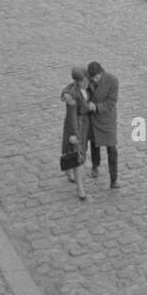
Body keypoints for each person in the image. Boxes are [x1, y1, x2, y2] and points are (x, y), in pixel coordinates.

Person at [61, 65, 92, 201]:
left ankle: (68, 171)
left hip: (85, 124)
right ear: (76, 81)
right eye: (81, 81)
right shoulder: (73, 94)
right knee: (77, 155)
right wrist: (74, 133)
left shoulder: (87, 88)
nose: (85, 83)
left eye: (86, 80)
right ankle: (80, 188)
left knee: (73, 152)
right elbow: (72, 115)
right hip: (75, 126)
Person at [87, 60, 119, 189]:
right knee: (94, 144)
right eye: (92, 78)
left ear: (101, 72)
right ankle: (95, 166)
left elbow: (111, 102)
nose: (94, 80)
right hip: (93, 119)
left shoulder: (112, 80)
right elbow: (76, 85)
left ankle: (114, 179)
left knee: (112, 150)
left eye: (96, 77)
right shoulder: (88, 78)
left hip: (107, 120)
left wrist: (96, 107)